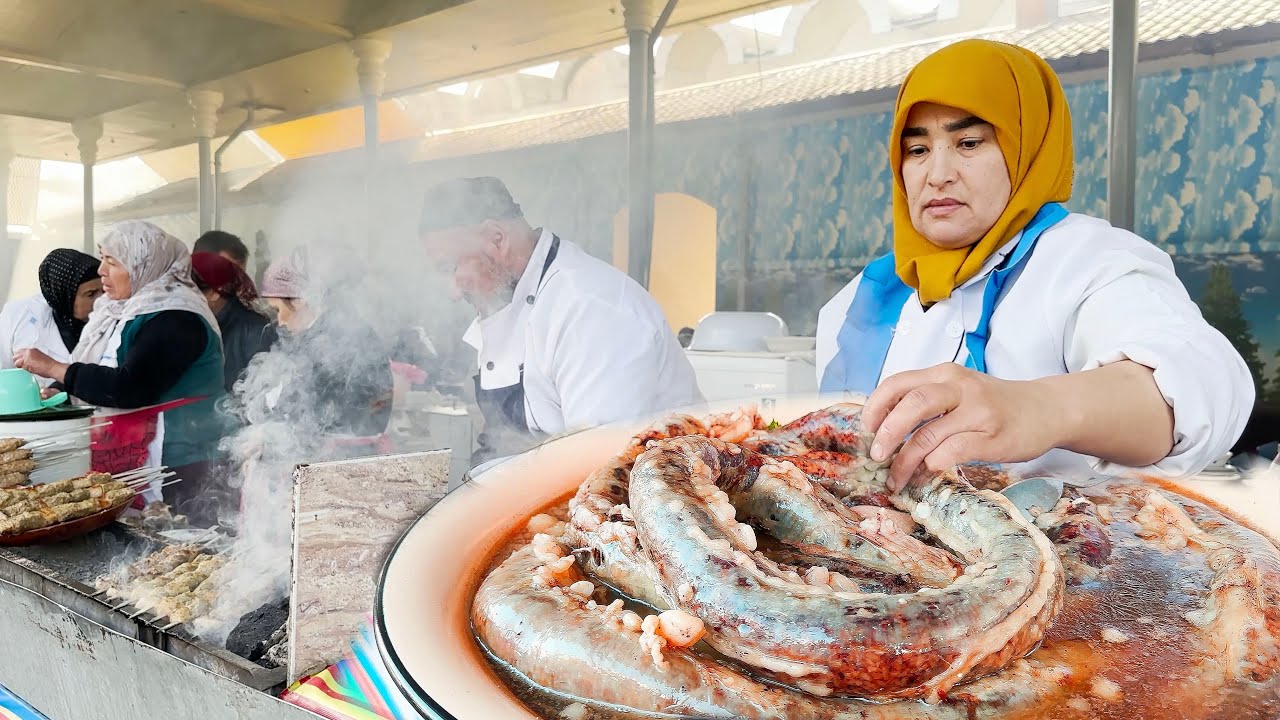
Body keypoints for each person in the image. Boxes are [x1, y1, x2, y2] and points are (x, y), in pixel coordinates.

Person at [815, 39, 1253, 490]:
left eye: (968, 142)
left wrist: (1035, 406)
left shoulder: (1086, 262)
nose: (937, 173)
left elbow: (1201, 386)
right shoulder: (857, 301)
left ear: (1028, 148)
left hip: (1061, 555)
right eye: (918, 149)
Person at [419, 176, 705, 463]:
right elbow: (505, 441)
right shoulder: (510, 305)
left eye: (450, 267)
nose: (453, 292)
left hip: (653, 497)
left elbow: (598, 466)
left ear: (497, 239)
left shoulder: (591, 309)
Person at [13, 221, 226, 519]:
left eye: (112, 262)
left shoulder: (177, 317)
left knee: (183, 544)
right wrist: (60, 390)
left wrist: (53, 367)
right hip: (140, 457)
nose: (101, 270)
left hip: (182, 462)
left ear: (143, 265)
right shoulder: (123, 310)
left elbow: (129, 387)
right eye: (102, 258)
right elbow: (99, 365)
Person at [256, 250, 394, 446]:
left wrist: (271, 436)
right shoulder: (314, 334)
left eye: (278, 310)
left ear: (301, 300)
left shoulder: (340, 340)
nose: (279, 321)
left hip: (343, 458)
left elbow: (324, 413)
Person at [0, 249, 102, 384]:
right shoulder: (19, 315)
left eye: (104, 290)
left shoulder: (112, 319)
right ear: (65, 293)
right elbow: (3, 373)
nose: (100, 300)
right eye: (90, 294)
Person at [191, 251, 277, 393]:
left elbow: (261, 395)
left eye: (189, 291)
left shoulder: (256, 331)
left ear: (214, 293)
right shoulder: (196, 324)